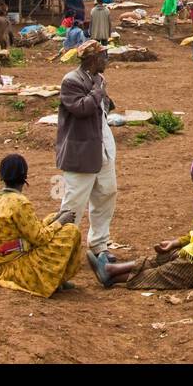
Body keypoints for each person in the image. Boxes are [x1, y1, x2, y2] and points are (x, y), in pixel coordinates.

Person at [90, 157, 193, 290]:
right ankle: (111, 270)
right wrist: (176, 243)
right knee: (166, 255)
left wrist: (181, 251)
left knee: (165, 272)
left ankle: (113, 277)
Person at [0, 154, 82, 297]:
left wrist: (55, 218)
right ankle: (55, 280)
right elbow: (39, 238)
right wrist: (61, 221)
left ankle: (57, 280)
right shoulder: (20, 202)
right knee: (71, 230)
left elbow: (29, 230)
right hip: (17, 266)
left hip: (1, 263)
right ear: (25, 176)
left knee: (53, 217)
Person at [55, 40, 118, 263]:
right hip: (81, 150)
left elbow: (102, 108)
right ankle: (61, 249)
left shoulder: (98, 79)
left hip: (102, 147)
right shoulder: (71, 81)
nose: (107, 61)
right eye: (104, 57)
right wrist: (98, 93)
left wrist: (103, 96)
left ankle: (99, 245)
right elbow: (81, 108)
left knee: (106, 195)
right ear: (92, 59)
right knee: (73, 204)